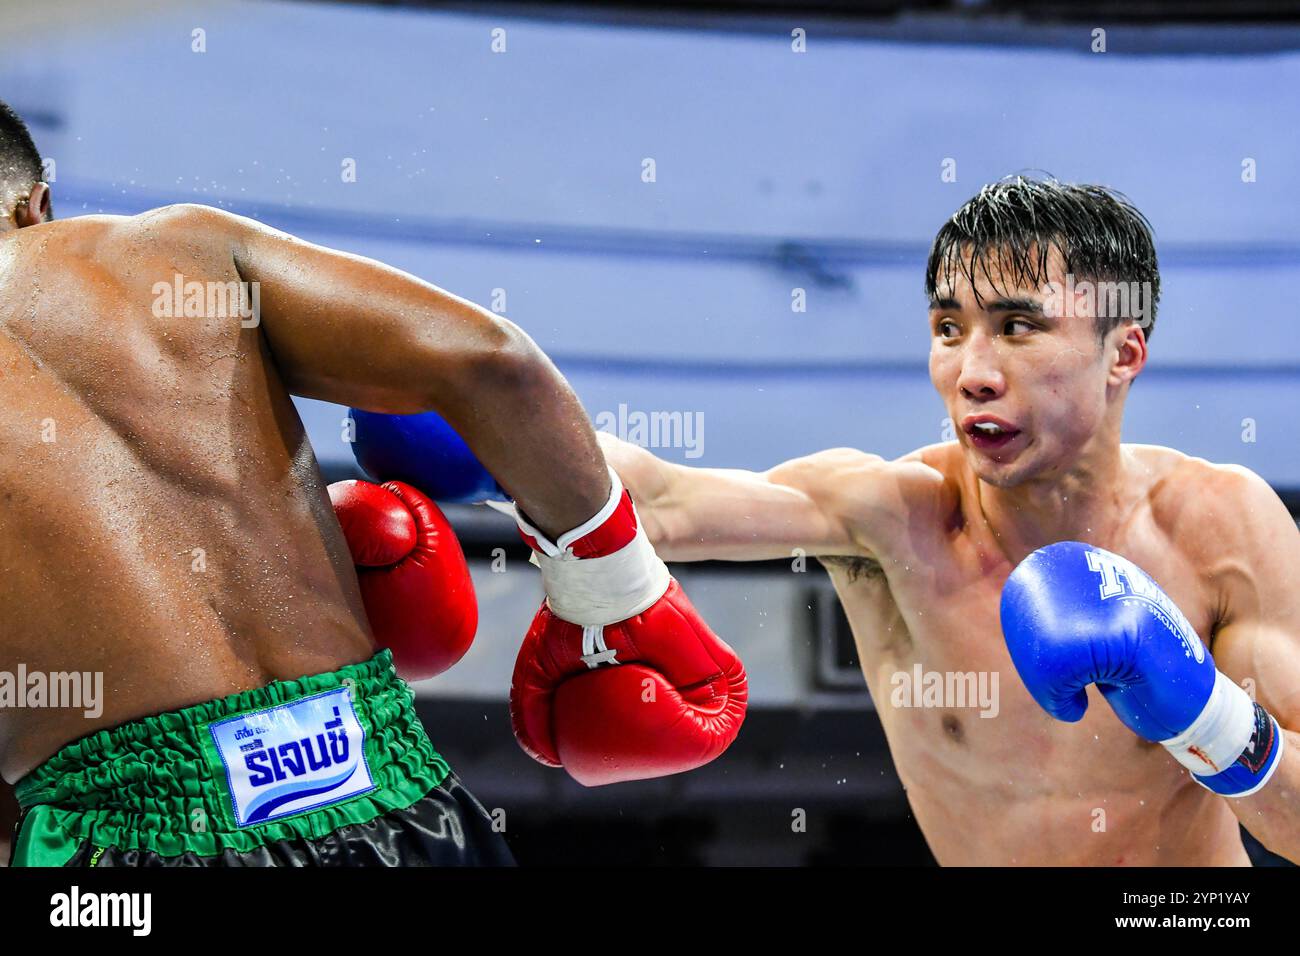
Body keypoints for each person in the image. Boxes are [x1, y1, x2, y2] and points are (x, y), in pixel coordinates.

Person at [0, 99, 743, 867]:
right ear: (37, 205)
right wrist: (614, 594)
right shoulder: (178, 250)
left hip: (115, 847)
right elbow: (496, 365)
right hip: (393, 794)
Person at [591, 178, 1300, 865]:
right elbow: (657, 502)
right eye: (949, 329)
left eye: (1018, 327)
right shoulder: (890, 520)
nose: (972, 373)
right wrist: (520, 409)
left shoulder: (1219, 528)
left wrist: (1207, 715)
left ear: (1123, 354)